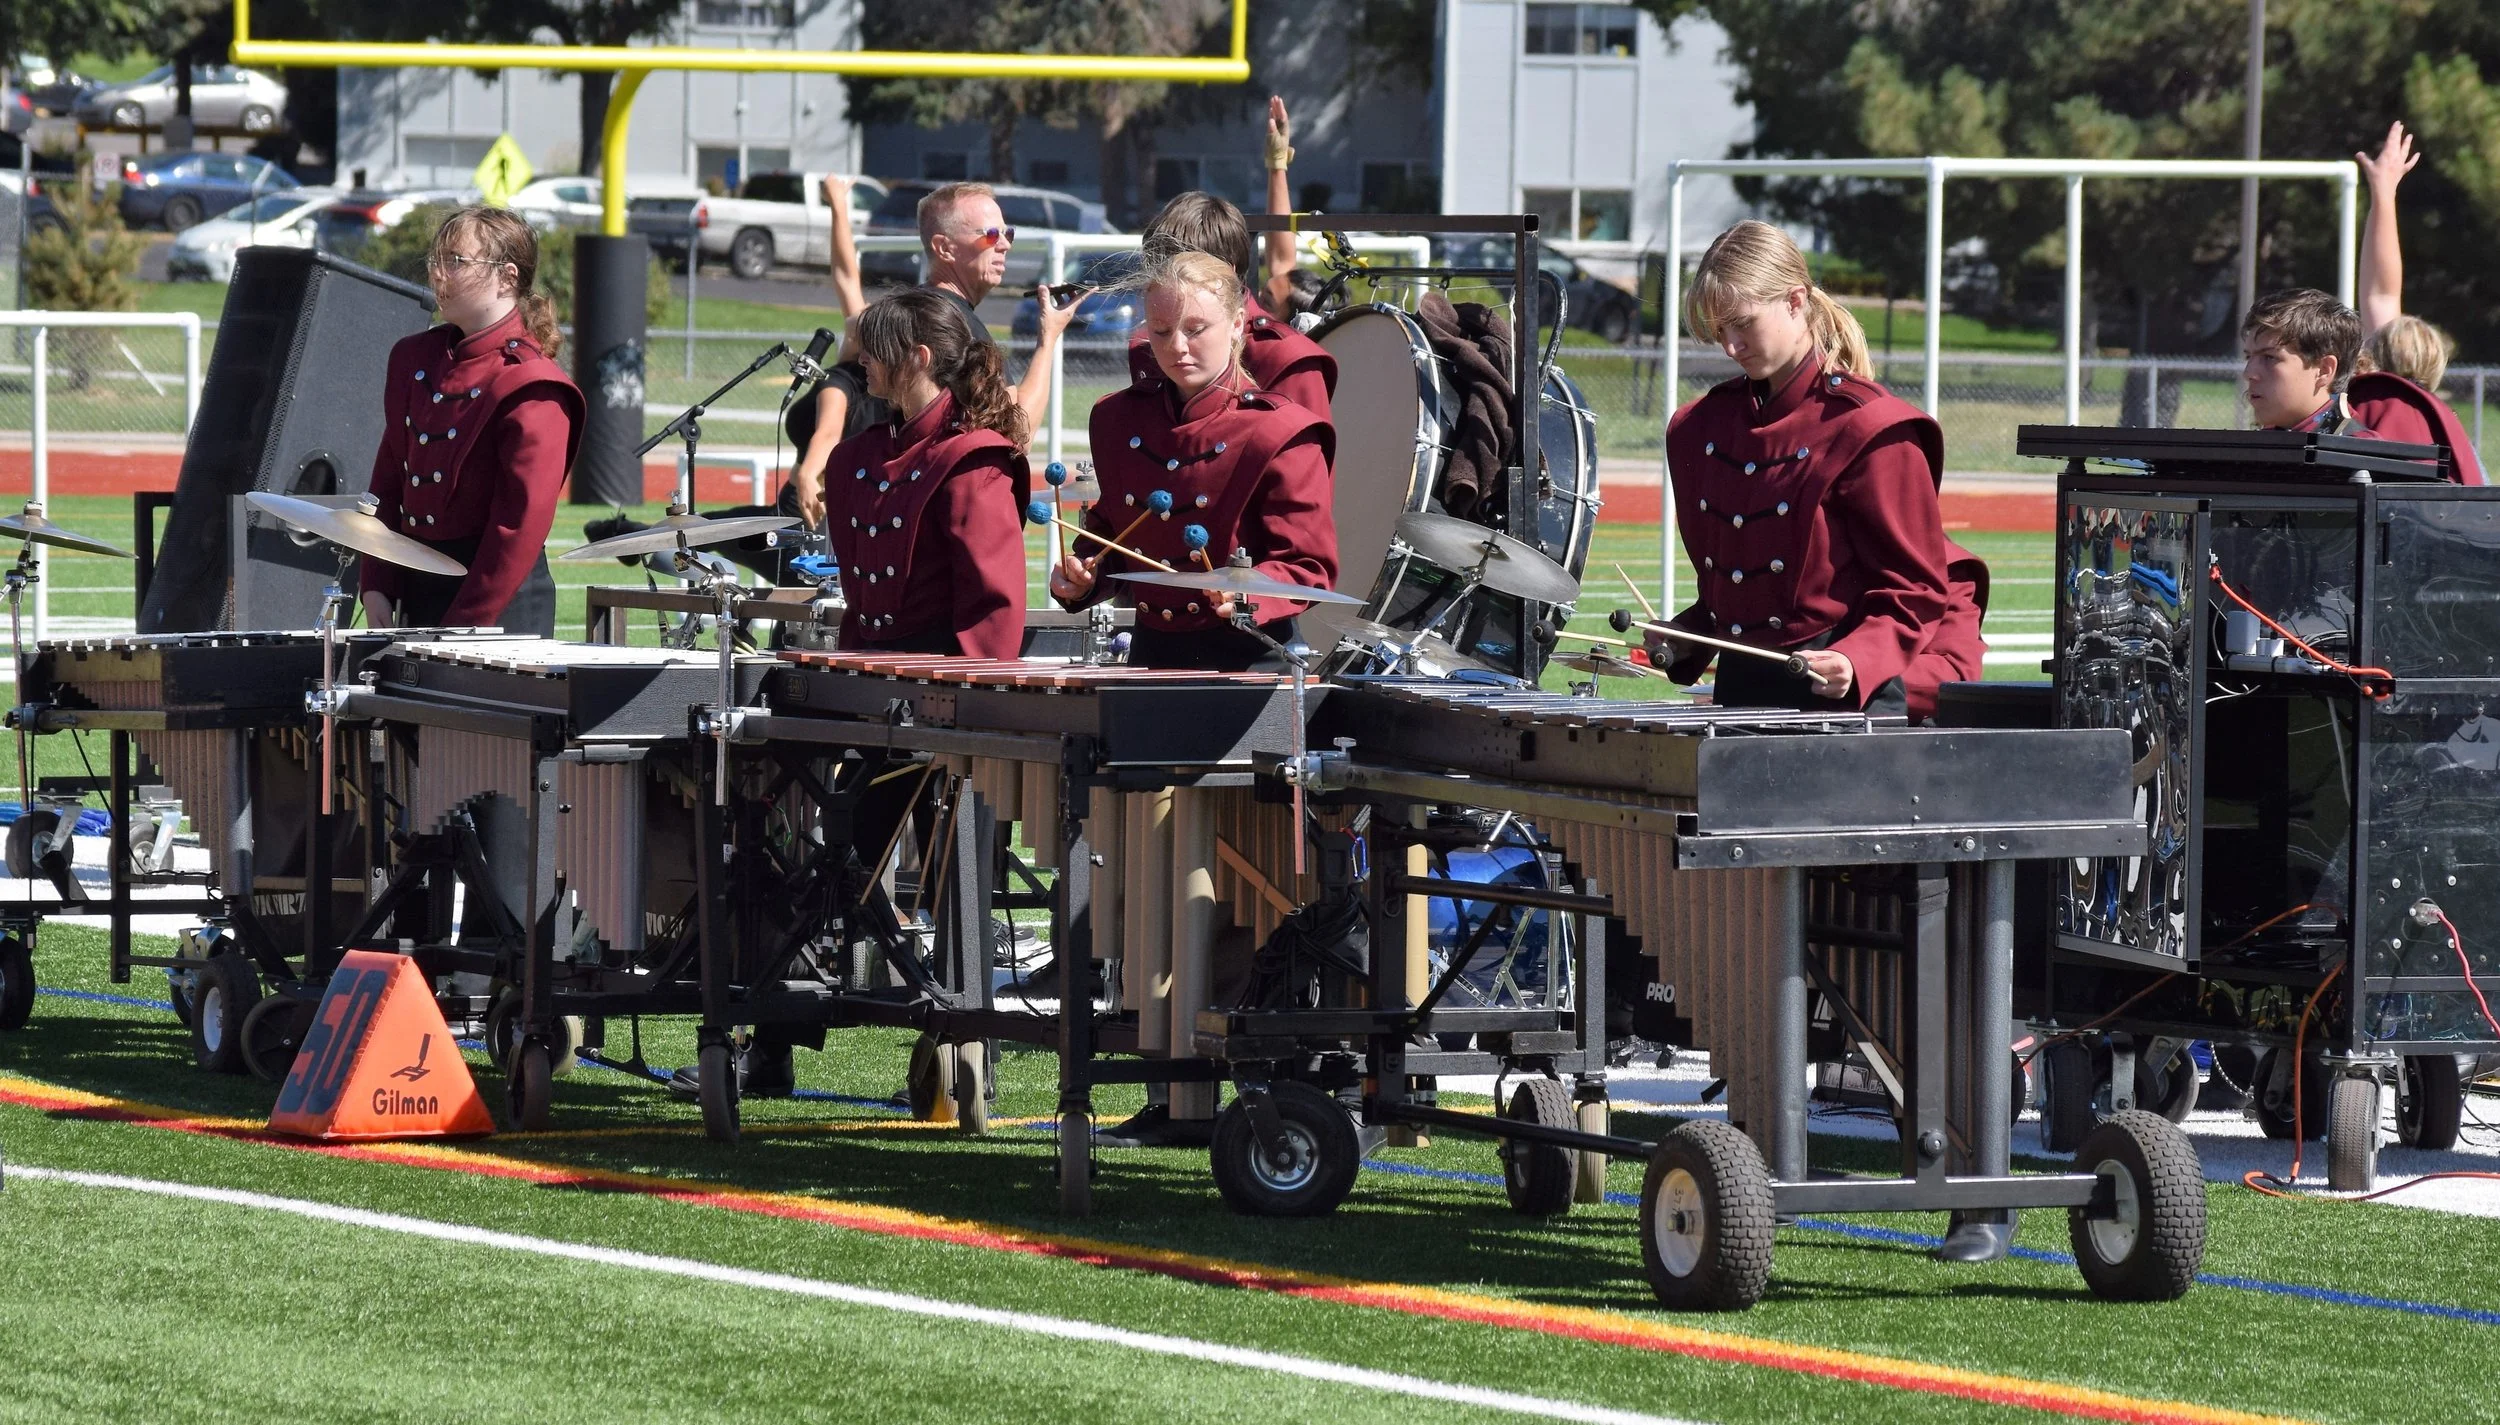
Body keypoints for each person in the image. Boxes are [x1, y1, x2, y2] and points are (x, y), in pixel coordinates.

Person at [1641, 220, 1966, 718]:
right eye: (1719, 330)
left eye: (1743, 323)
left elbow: (1916, 589)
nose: (1730, 346)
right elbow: (1739, 597)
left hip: (1846, 708)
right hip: (1739, 696)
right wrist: (1691, 634)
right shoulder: (1702, 428)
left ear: (1795, 301)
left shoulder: (1869, 428)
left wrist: (1855, 659)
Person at [1052, 250, 1337, 672]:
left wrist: (1249, 594)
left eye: (1195, 329)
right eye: (1161, 331)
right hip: (1151, 657)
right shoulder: (1116, 420)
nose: (1177, 348)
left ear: (1237, 323)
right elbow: (1113, 533)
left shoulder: (1282, 432)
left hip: (1249, 664)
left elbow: (1307, 566)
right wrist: (1083, 576)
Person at [360, 206, 583, 636]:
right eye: (435, 261)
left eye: (456, 262)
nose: (438, 276)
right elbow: (389, 476)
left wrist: (467, 622)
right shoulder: (414, 358)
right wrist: (377, 583)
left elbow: (520, 524)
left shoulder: (531, 382)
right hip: (416, 581)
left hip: (500, 606)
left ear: (508, 276)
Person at [822, 288, 1031, 660]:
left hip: (945, 683)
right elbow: (860, 603)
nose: (863, 358)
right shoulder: (853, 458)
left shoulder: (973, 460)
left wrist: (971, 699)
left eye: (877, 348)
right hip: (866, 671)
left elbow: (992, 606)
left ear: (919, 358)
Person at [2346, 120, 2484, 483]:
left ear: (2373, 355)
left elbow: (2381, 292)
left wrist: (2383, 192)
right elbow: (2383, 294)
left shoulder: (2370, 407)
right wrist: (2384, 191)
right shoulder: (2448, 433)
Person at [1130, 189, 1336, 421]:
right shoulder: (1146, 348)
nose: (1177, 346)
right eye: (1161, 272)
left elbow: (1304, 454)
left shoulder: (1286, 359)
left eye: (1186, 270)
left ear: (1228, 270)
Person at [2241, 289, 2369, 436]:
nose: (2249, 373)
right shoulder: (2259, 445)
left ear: (2324, 370)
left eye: (2269, 357)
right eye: (2248, 357)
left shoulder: (2358, 454)